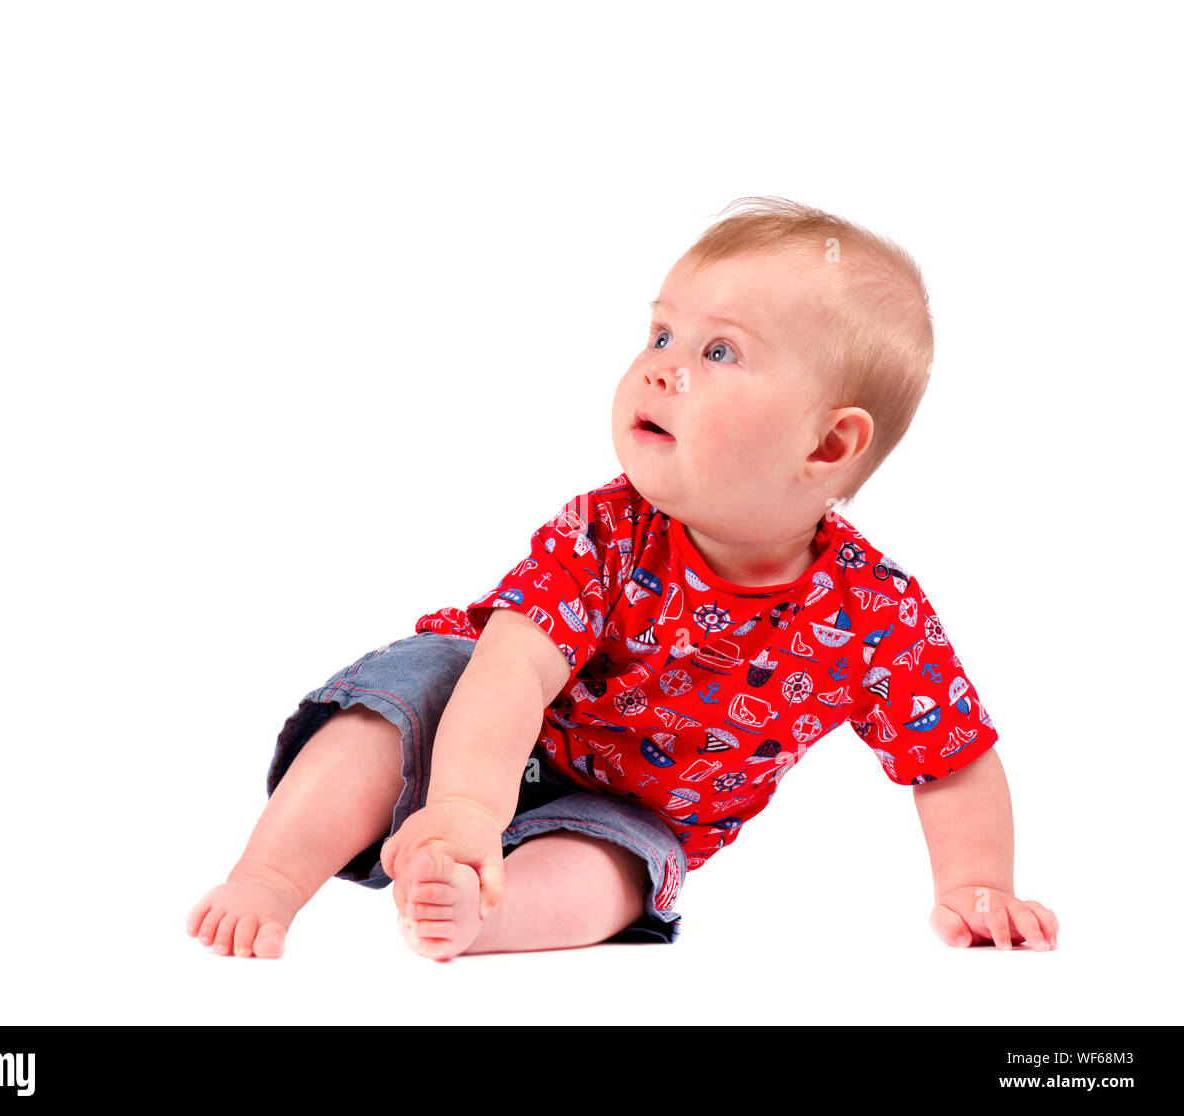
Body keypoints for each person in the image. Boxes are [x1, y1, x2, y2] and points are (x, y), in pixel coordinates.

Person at [187, 196, 1058, 961]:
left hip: (624, 810)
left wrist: (978, 886)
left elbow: (952, 760)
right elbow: (513, 669)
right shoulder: (607, 531)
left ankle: (482, 914)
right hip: (492, 733)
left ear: (827, 445)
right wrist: (460, 806)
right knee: (410, 691)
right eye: (662, 333)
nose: (662, 366)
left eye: (720, 353)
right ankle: (270, 874)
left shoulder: (874, 614)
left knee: (618, 873)